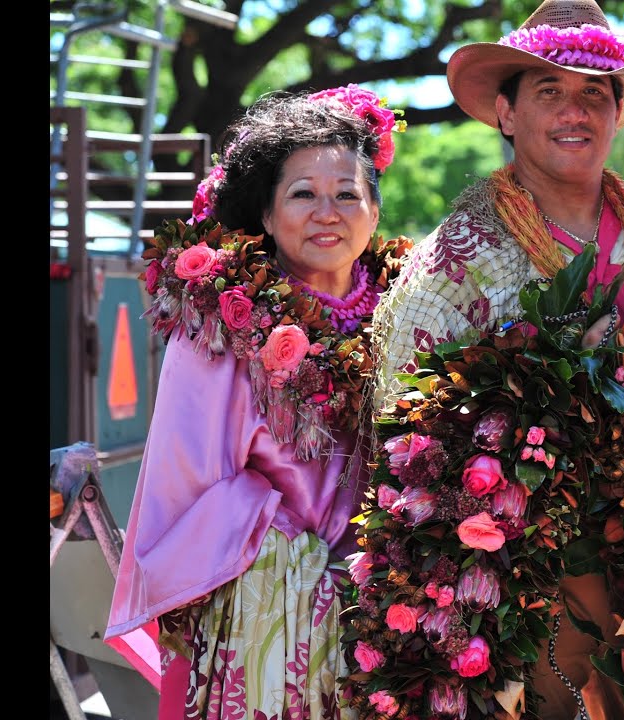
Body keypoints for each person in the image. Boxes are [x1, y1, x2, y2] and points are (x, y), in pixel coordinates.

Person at [368, 1, 624, 716]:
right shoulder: (455, 261)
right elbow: (401, 438)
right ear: (506, 115)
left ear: (616, 115)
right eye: (550, 92)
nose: (575, 112)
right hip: (514, 589)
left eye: (593, 95)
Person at [104, 86, 406, 720]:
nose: (328, 211)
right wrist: (299, 558)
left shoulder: (414, 310)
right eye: (302, 194)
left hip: (396, 602)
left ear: (374, 213)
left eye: (347, 194)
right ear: (266, 216)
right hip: (266, 602)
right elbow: (188, 482)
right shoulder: (220, 324)